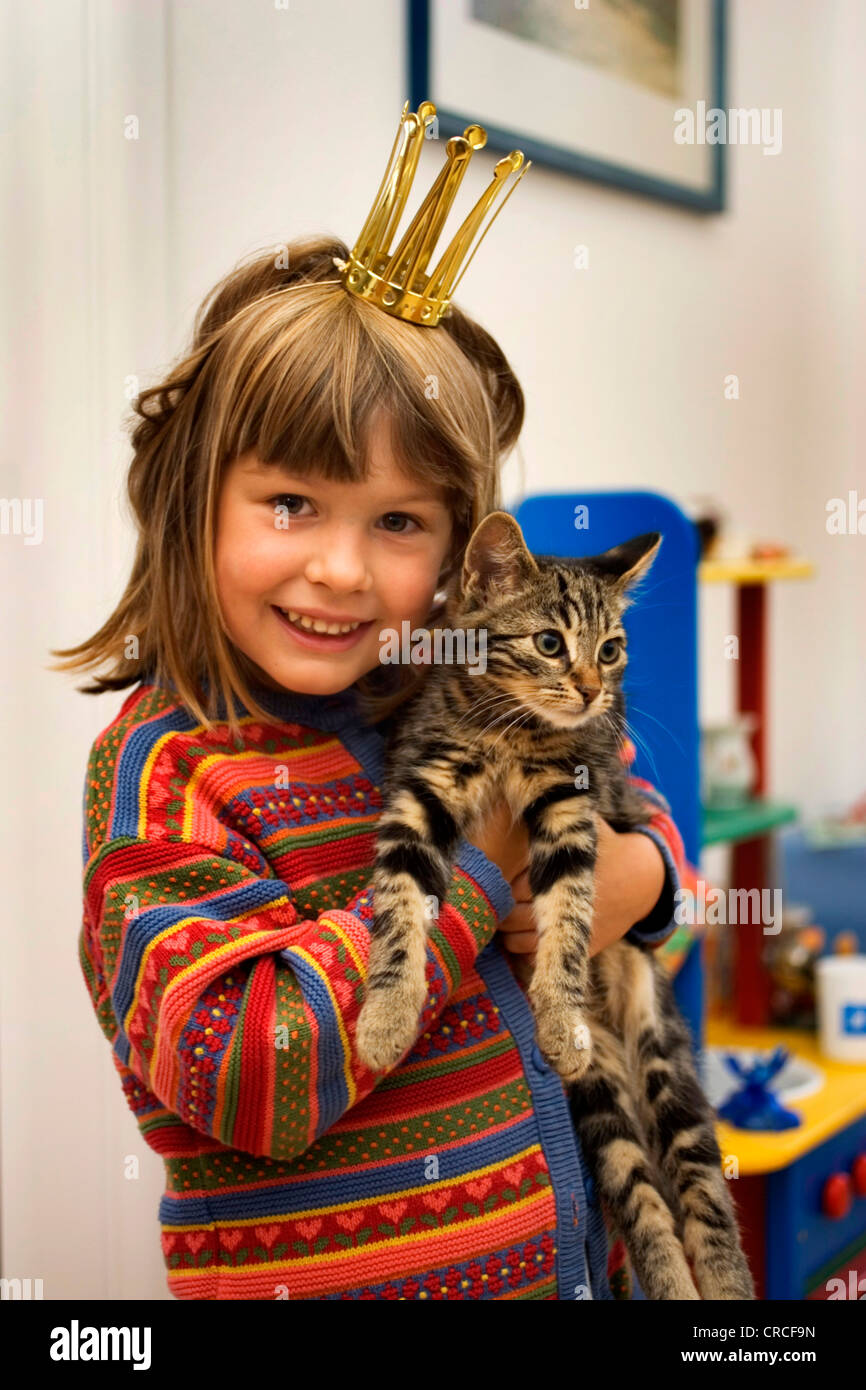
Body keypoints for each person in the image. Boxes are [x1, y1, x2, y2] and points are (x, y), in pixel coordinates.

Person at [54, 121, 688, 1299]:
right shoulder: (165, 771)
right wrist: (487, 874)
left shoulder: (451, 676)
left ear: (456, 552)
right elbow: (250, 1071)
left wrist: (641, 877)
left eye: (397, 522)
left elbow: (629, 802)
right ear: (195, 499)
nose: (342, 569)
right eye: (292, 503)